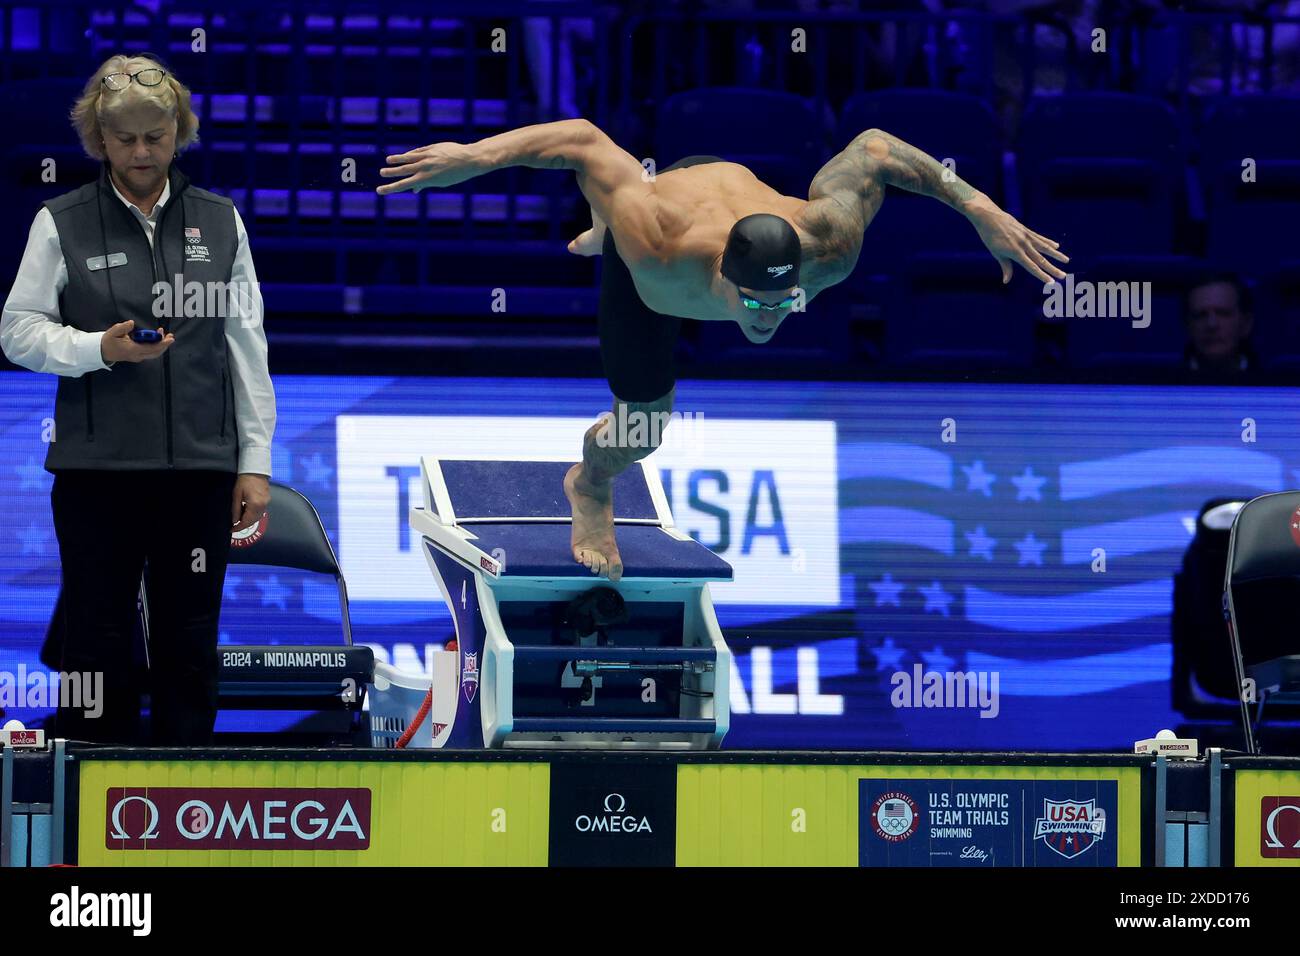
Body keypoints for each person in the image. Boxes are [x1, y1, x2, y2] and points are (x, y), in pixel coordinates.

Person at [377, 119, 1066, 581]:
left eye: (785, 301)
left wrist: (981, 207)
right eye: (758, 303)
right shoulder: (660, 248)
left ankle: (600, 221)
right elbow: (582, 140)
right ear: (724, 281)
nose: (772, 318)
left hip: (724, 191)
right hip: (658, 245)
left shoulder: (827, 245)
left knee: (625, 206)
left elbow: (876, 150)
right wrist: (473, 157)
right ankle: (587, 482)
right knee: (643, 426)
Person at [0, 54, 276, 744]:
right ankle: (90, 784)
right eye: (125, 139)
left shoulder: (221, 220)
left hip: (200, 473)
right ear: (99, 138)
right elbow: (17, 332)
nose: (141, 152)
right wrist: (99, 349)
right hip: (98, 476)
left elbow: (246, 345)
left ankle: (188, 792)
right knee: (95, 636)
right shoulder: (60, 221)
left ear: (177, 132)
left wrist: (256, 462)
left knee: (190, 638)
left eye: (155, 136)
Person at [1182, 271, 1256, 378]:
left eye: (1223, 314)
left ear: (1246, 323)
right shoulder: (1165, 387)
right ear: (1187, 325)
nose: (1212, 324)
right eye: (1201, 315)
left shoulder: (1273, 387)